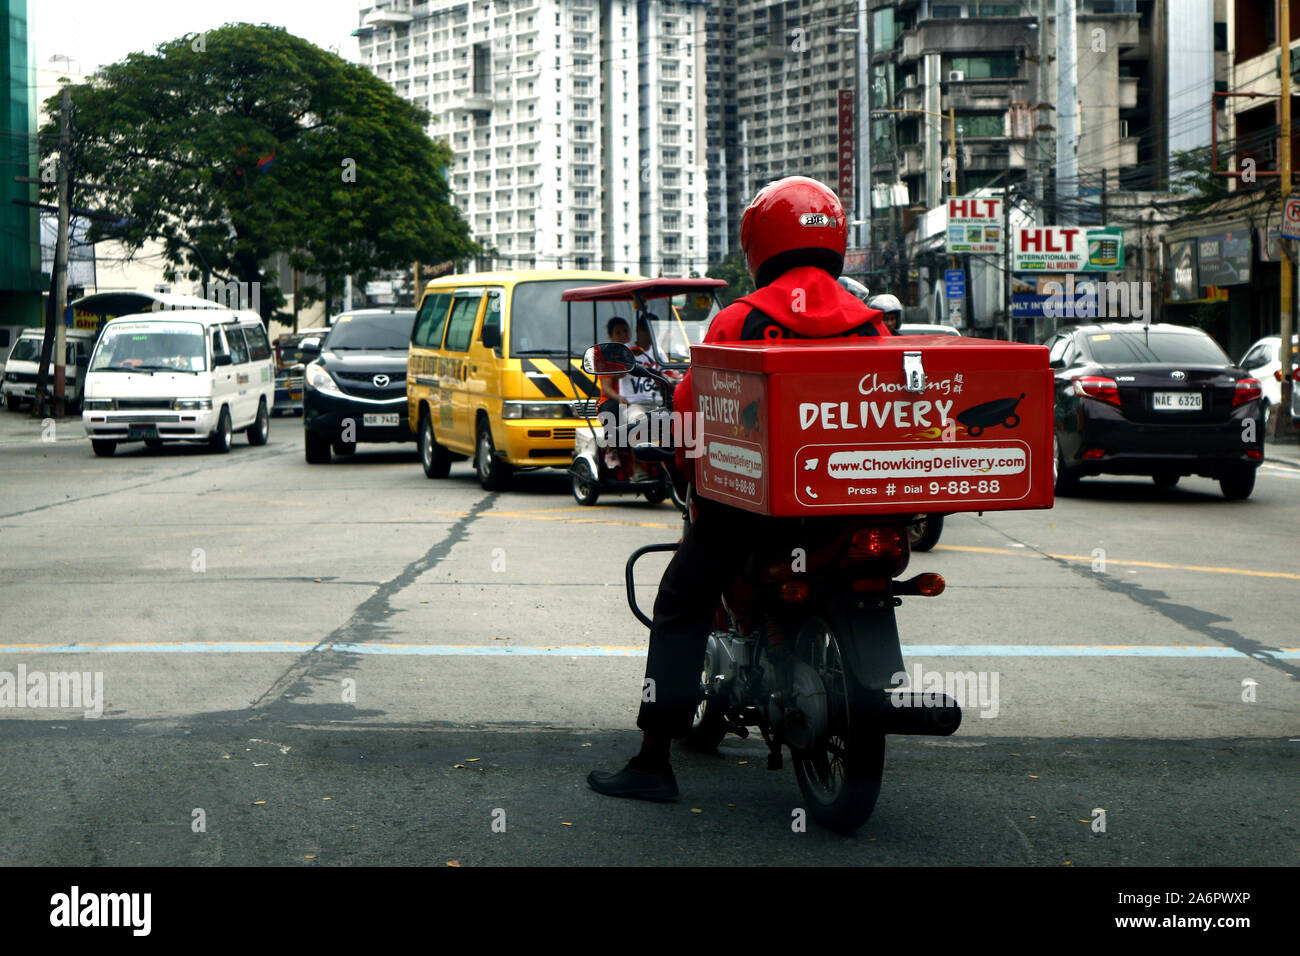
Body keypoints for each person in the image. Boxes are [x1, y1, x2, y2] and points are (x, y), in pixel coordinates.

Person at [587, 176, 889, 801]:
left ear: (759, 243)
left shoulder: (740, 320)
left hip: (751, 515)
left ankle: (652, 760)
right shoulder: (869, 325)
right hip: (845, 509)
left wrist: (682, 457)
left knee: (678, 599)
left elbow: (691, 409)